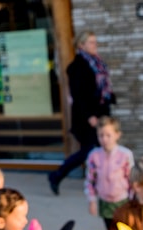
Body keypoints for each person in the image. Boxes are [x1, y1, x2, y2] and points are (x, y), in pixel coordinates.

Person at [48, 31, 115, 195]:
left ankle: (101, 183)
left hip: (101, 113)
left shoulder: (97, 63)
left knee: (101, 148)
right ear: (81, 45)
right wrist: (89, 116)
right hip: (87, 117)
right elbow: (79, 96)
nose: (95, 45)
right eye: (91, 42)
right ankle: (57, 175)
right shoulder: (77, 67)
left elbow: (102, 89)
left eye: (95, 42)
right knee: (91, 150)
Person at [85, 116, 135, 230]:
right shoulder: (94, 156)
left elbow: (131, 179)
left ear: (117, 135)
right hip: (105, 201)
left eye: (108, 135)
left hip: (122, 200)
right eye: (101, 135)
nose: (104, 139)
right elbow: (90, 180)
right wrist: (92, 201)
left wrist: (134, 200)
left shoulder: (125, 155)